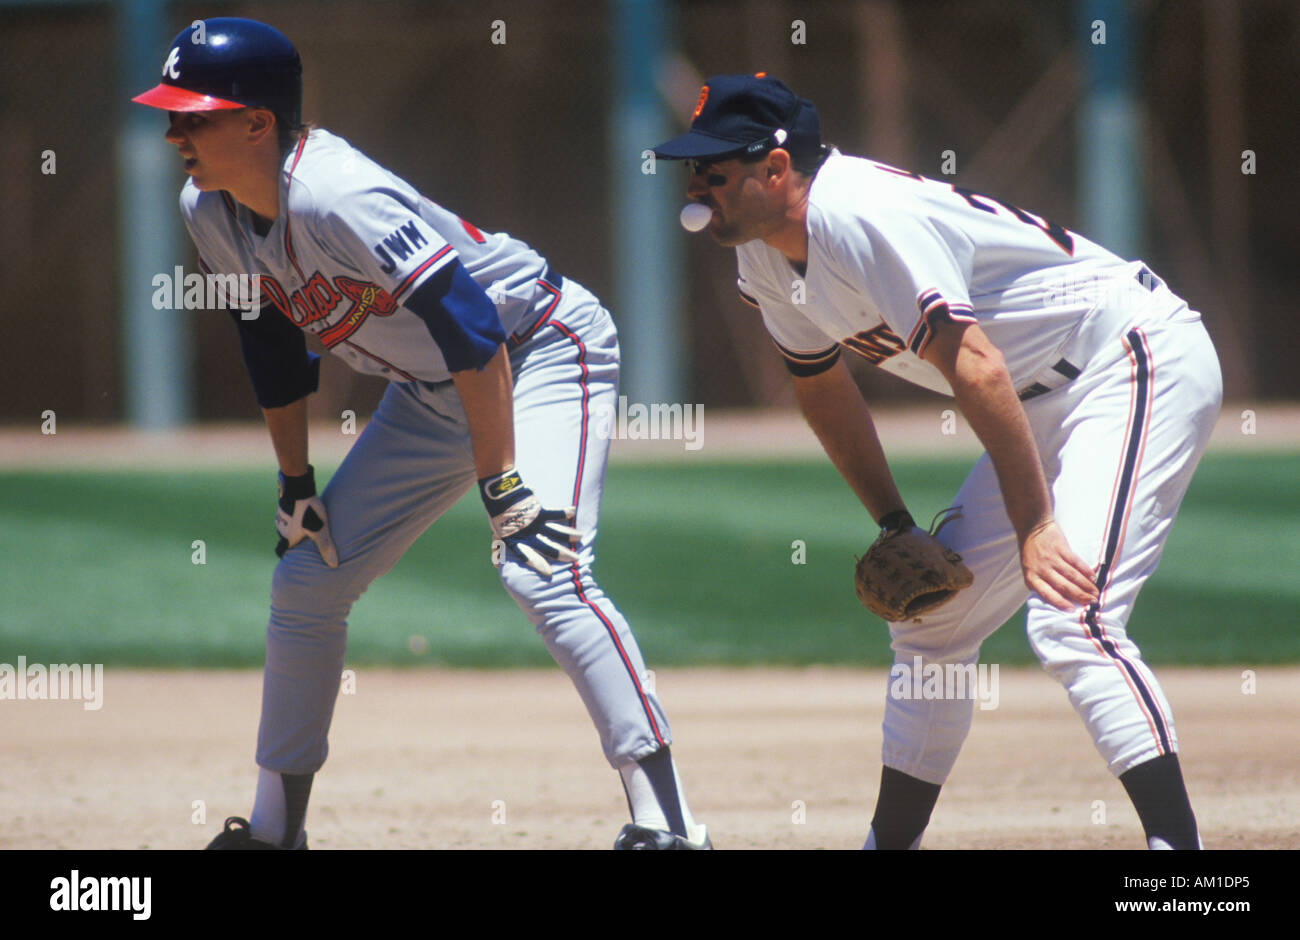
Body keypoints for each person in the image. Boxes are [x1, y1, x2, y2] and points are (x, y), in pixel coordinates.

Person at [131, 17, 709, 850]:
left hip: (536, 347)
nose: (173, 130)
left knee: (540, 566)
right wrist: (296, 486)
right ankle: (271, 832)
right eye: (171, 113)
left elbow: (470, 322)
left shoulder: (336, 193)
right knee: (306, 581)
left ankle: (674, 825)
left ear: (257, 123)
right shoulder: (207, 210)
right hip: (434, 385)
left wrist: (502, 482)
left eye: (194, 114)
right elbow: (268, 338)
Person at [651, 73, 1220, 850]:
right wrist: (893, 523)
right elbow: (822, 389)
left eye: (711, 171)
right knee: (934, 621)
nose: (695, 187)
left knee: (1071, 616)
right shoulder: (761, 254)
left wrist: (1037, 525)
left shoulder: (857, 216)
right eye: (692, 171)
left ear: (775, 170)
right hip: (1037, 397)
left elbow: (976, 369)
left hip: (1129, 357)